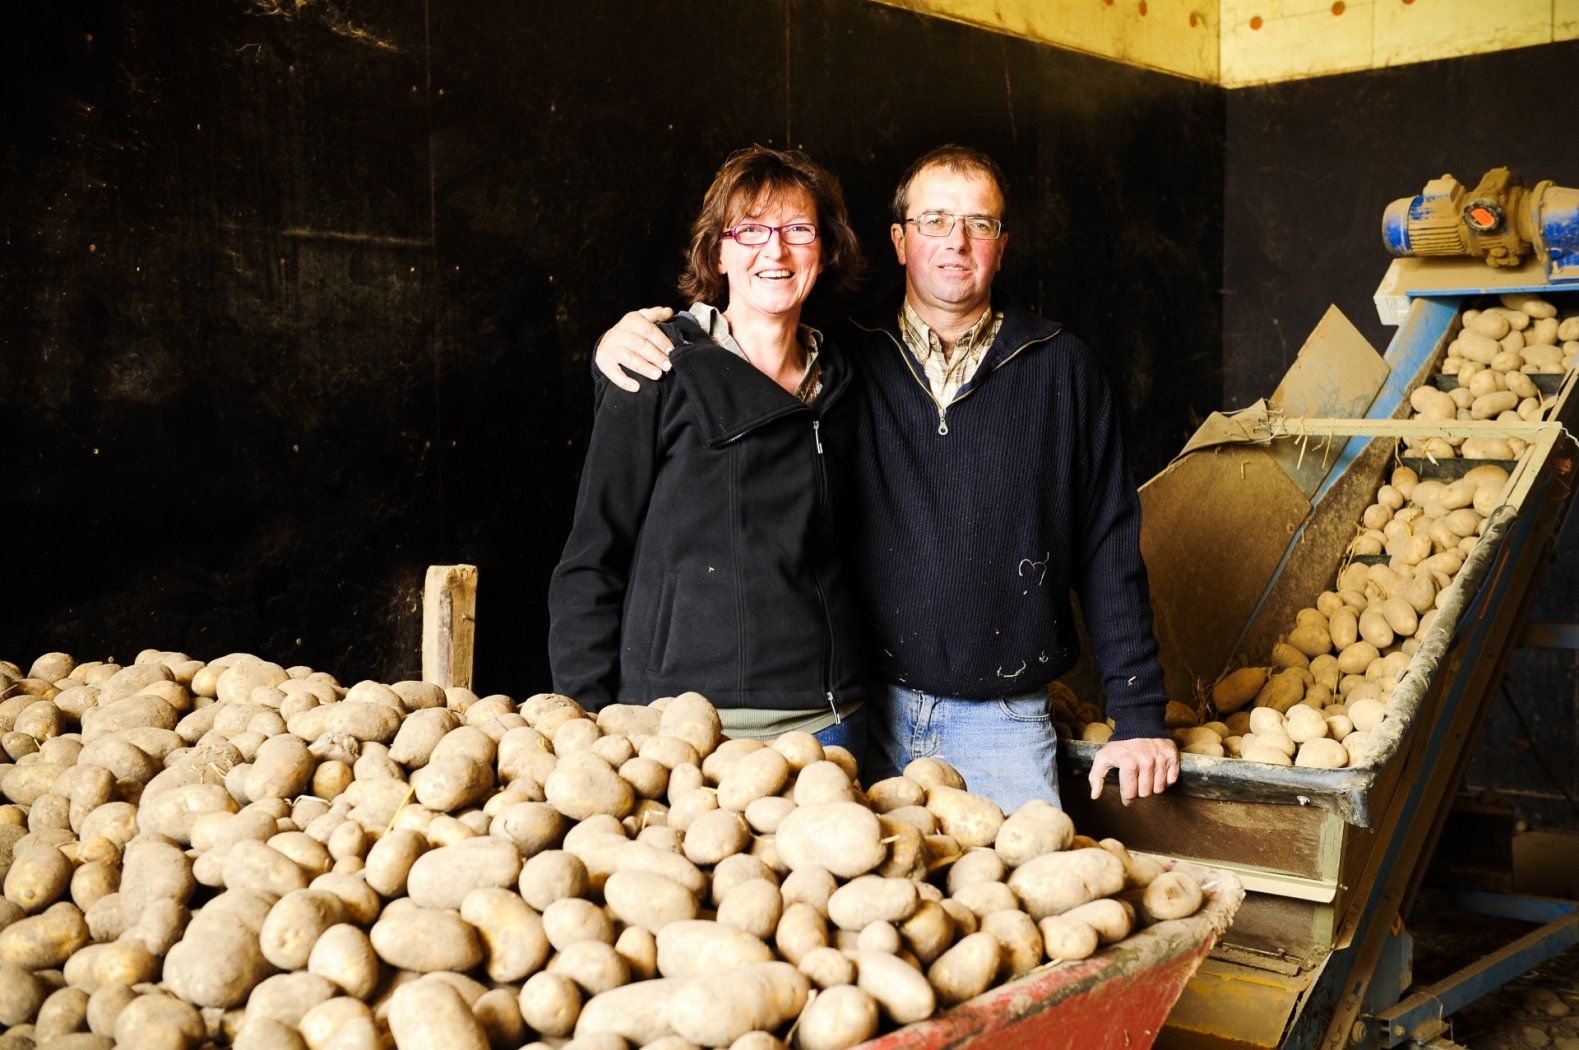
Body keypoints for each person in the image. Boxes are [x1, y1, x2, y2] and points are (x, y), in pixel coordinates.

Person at [593, 145, 1178, 809]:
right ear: (899, 241)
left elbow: (1107, 541)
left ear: (1001, 243)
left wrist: (1137, 714)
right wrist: (622, 340)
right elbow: (736, 340)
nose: (955, 243)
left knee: (1013, 899)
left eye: (978, 224)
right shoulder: (846, 359)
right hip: (861, 706)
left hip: (1001, 722)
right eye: (932, 222)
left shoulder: (1064, 370)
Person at [548, 146, 871, 753]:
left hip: (829, 722)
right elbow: (591, 560)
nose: (773, 251)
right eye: (748, 230)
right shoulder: (653, 364)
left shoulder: (847, 381)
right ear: (718, 252)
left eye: (798, 230)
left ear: (825, 251)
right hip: (682, 727)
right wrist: (583, 724)